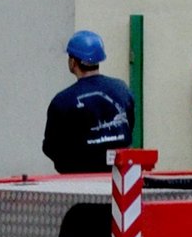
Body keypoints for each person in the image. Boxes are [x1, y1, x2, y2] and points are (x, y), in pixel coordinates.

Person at [42, 30, 135, 172]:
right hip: (120, 175)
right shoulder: (122, 89)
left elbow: (51, 147)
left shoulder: (62, 101)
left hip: (80, 179)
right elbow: (129, 126)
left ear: (73, 62)